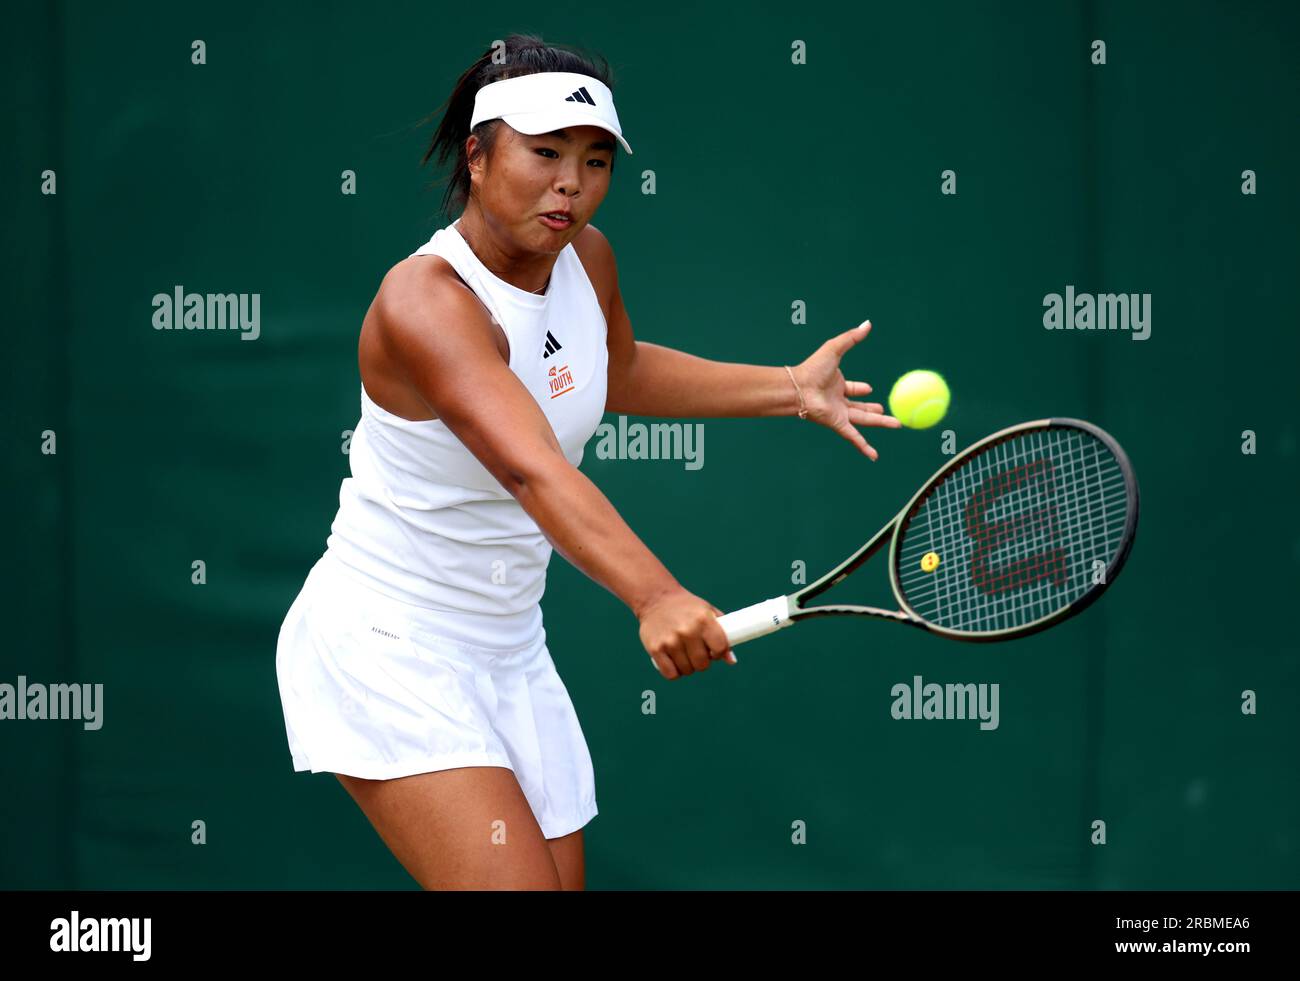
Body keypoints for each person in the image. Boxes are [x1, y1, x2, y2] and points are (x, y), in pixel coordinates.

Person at [274, 33, 899, 891]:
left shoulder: (585, 258)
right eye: (545, 153)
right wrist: (657, 594)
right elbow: (535, 469)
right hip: (389, 644)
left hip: (508, 645)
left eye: (595, 160)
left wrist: (791, 386)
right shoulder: (425, 302)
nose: (572, 182)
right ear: (478, 157)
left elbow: (619, 367)